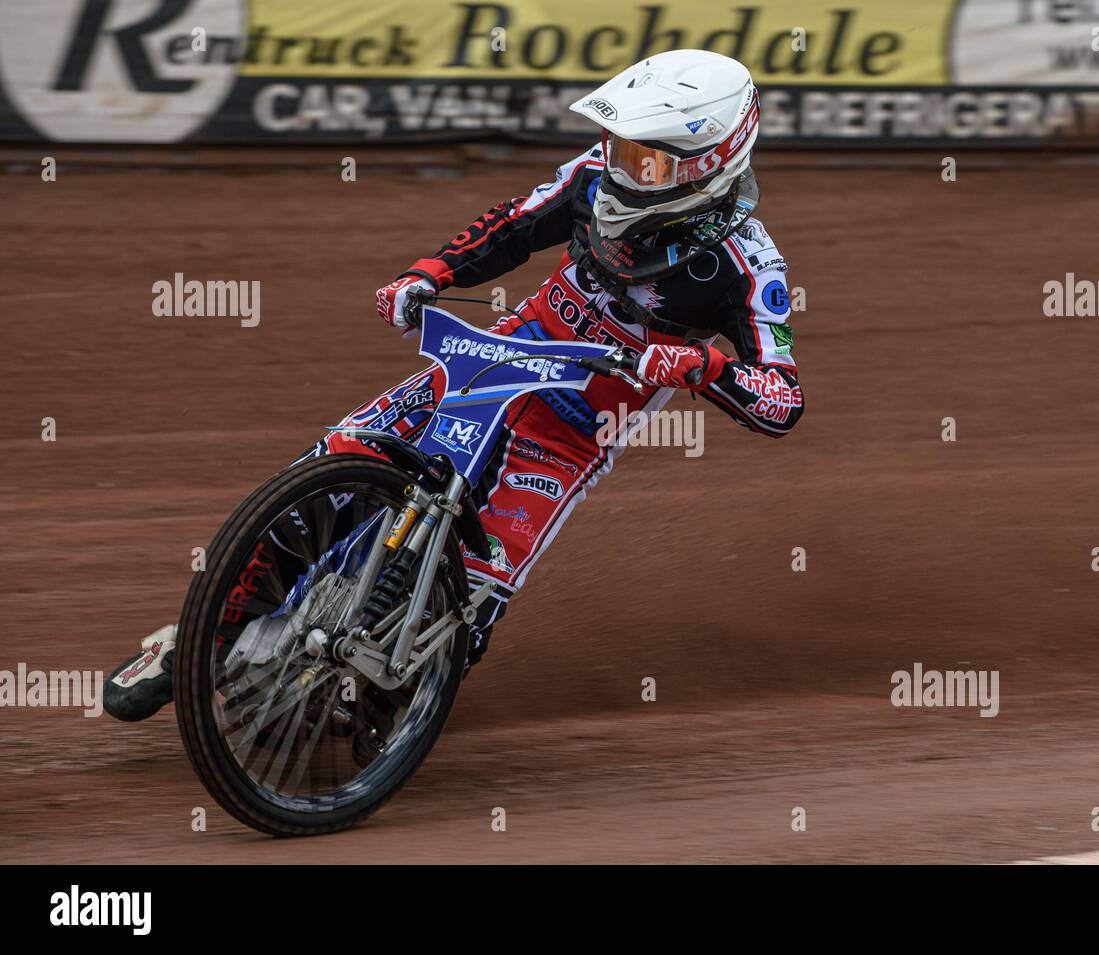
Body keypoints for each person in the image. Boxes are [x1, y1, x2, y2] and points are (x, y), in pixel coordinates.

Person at [105, 49, 805, 722]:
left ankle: (391, 709)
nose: (619, 164)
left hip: (569, 428)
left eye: (642, 157)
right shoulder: (596, 176)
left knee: (471, 590)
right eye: (616, 145)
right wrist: (427, 274)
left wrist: (702, 367)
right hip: (493, 360)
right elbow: (511, 226)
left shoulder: (749, 266)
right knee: (336, 464)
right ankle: (205, 635)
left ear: (705, 167)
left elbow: (782, 399)